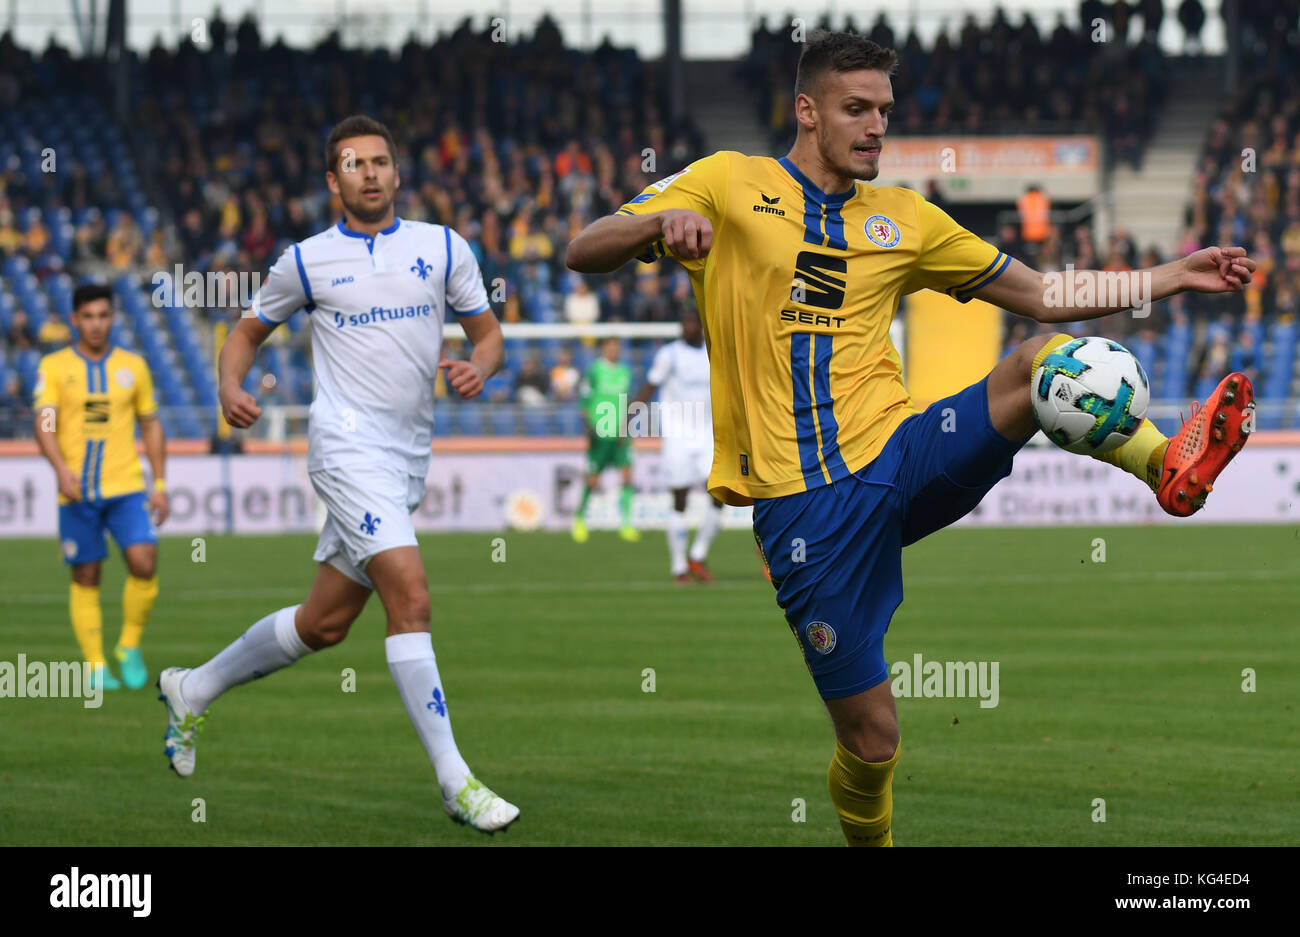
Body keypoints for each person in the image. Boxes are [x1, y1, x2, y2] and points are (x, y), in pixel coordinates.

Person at [566, 30, 1256, 846]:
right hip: (803, 514)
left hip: (902, 455)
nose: (875, 128)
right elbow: (586, 247)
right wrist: (663, 223)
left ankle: (1164, 465)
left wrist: (1170, 275)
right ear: (807, 110)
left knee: (1040, 364)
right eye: (856, 109)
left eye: (885, 112)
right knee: (873, 738)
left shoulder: (905, 218)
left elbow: (1040, 292)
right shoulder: (727, 181)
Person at [158, 115, 518, 834]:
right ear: (334, 180)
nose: (372, 173)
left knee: (322, 624)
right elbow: (244, 333)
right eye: (356, 164)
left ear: (396, 171)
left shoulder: (443, 248)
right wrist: (230, 385)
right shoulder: (305, 261)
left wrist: (477, 369)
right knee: (410, 598)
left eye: (381, 161)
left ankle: (191, 687)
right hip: (345, 447)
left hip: (406, 457)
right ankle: (458, 781)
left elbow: (488, 335)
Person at [33, 284, 168, 691]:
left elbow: (150, 423)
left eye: (103, 315)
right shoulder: (54, 367)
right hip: (76, 489)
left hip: (126, 485)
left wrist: (159, 483)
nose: (96, 324)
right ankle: (94, 664)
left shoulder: (133, 366)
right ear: (75, 320)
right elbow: (46, 420)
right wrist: (59, 467)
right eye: (88, 316)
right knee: (86, 575)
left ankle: (128, 646)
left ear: (113, 318)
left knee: (144, 563)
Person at [632, 310, 723, 584]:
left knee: (721, 495)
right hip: (678, 439)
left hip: (708, 436)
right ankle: (679, 566)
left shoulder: (714, 352)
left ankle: (698, 553)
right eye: (684, 323)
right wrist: (629, 417)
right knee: (679, 501)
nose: (687, 327)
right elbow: (649, 386)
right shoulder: (669, 354)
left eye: (692, 323)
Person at [573, 336, 638, 543]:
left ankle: (626, 524)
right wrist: (588, 426)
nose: (614, 350)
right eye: (610, 347)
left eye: (617, 347)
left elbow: (628, 402)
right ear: (603, 349)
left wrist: (626, 427)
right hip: (599, 433)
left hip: (621, 435)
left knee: (627, 476)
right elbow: (584, 400)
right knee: (593, 479)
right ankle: (580, 519)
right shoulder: (594, 370)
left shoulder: (625, 372)